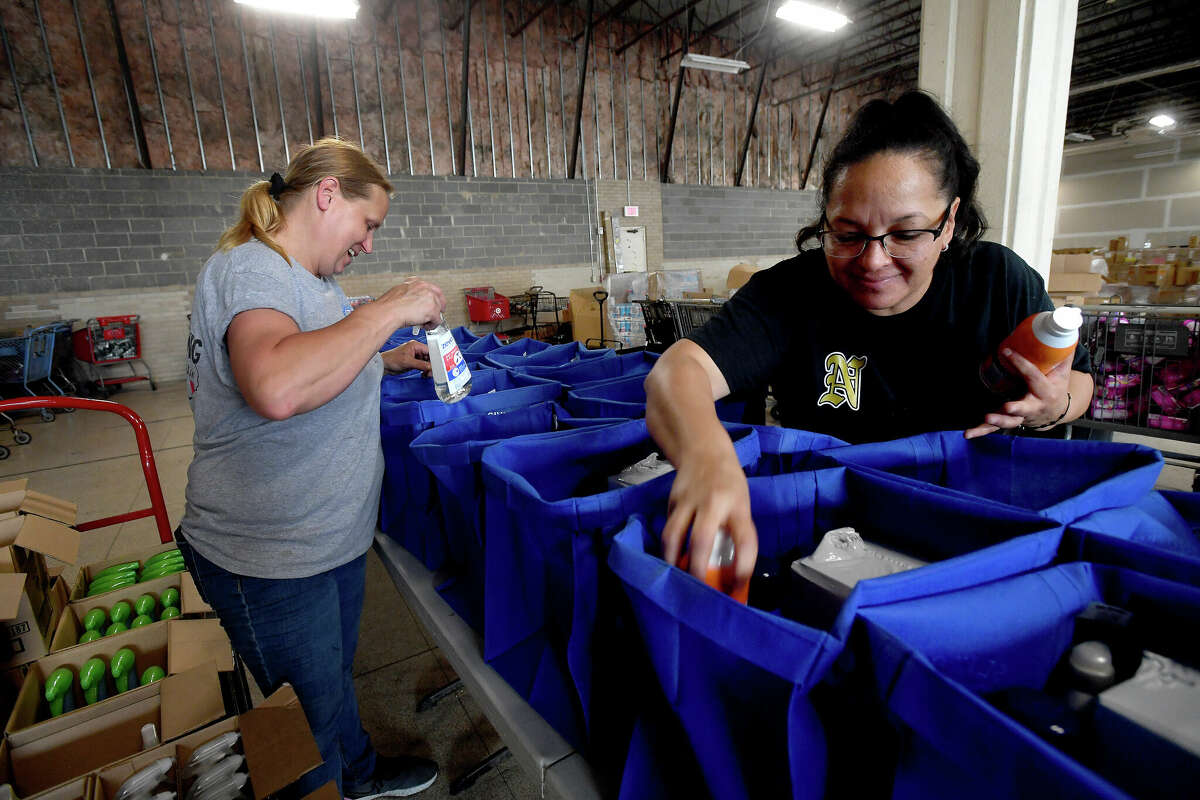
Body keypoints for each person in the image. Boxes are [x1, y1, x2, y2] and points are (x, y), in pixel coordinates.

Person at [644, 91, 1094, 591]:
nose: (872, 260)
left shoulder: (996, 281)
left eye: (905, 234)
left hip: (969, 539)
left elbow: (1078, 383)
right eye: (847, 233)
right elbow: (676, 373)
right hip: (827, 549)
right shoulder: (791, 293)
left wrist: (1055, 405)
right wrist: (709, 460)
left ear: (949, 223)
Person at [177, 137, 443, 798]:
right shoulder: (251, 269)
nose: (370, 244)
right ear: (327, 195)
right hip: (270, 557)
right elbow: (276, 385)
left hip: (323, 542)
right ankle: (332, 780)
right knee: (306, 729)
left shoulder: (312, 280)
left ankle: (358, 774)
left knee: (330, 680)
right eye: (368, 224)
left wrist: (384, 355)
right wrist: (388, 309)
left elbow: (318, 354)